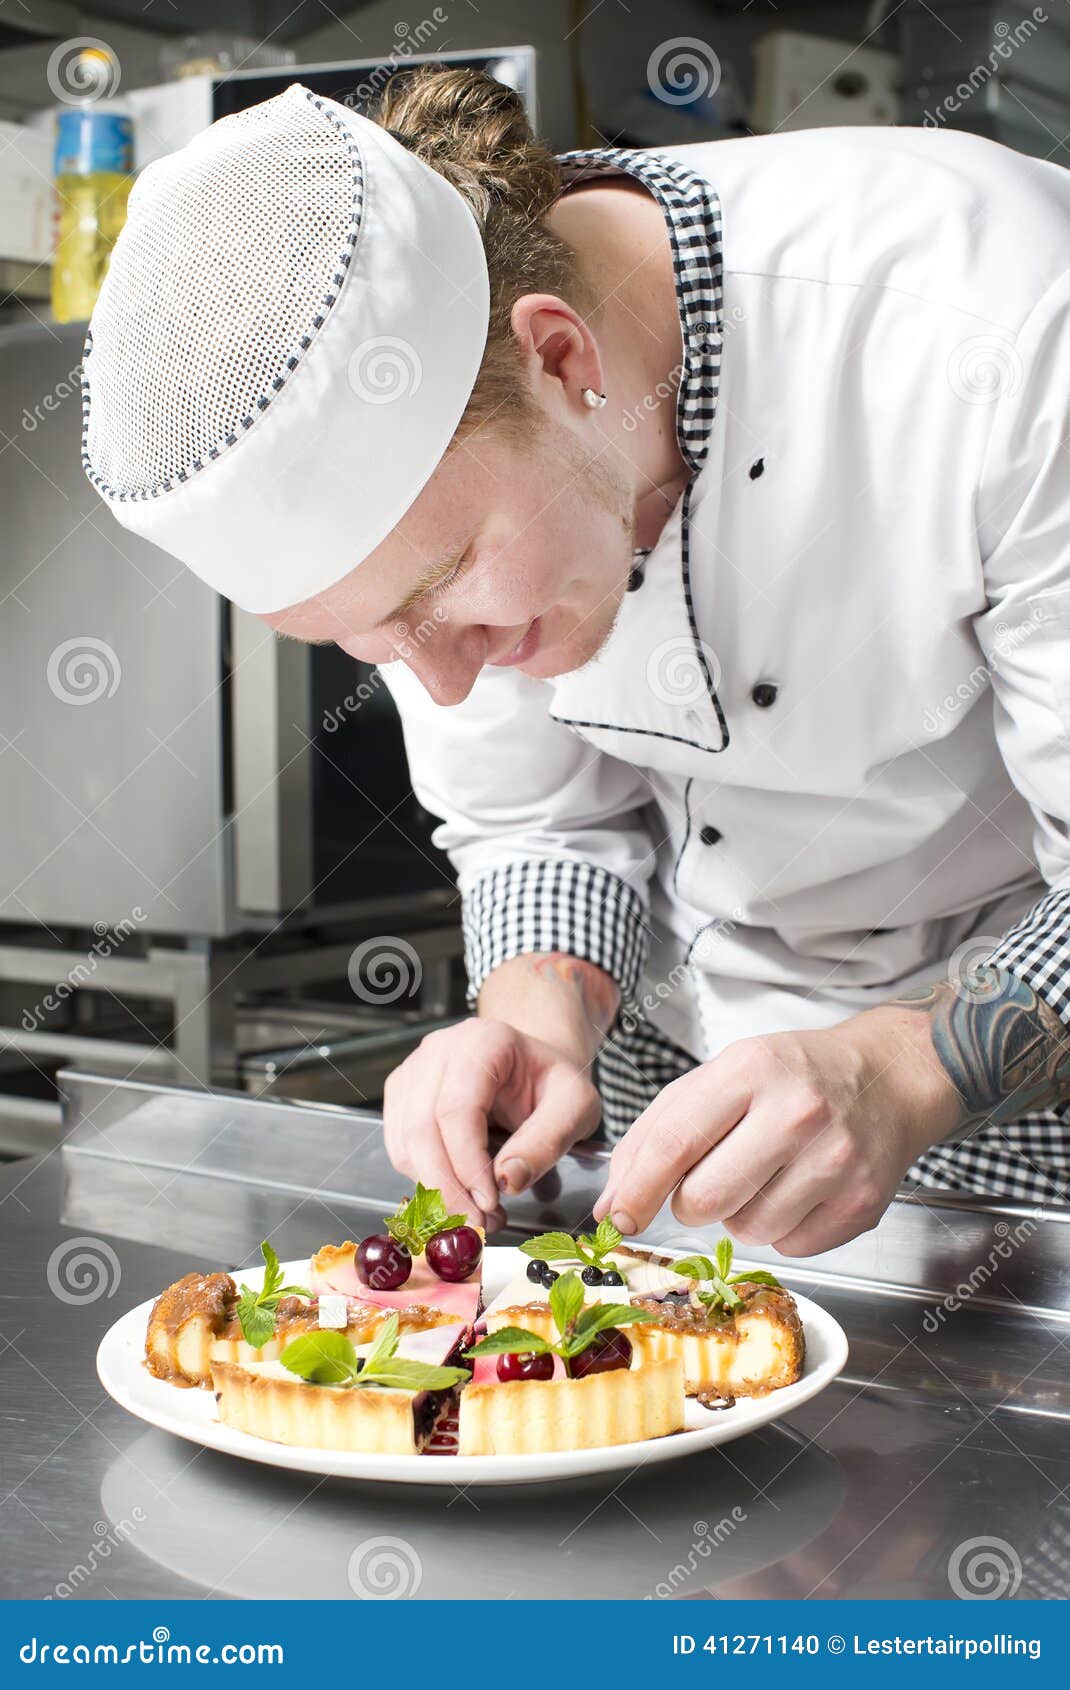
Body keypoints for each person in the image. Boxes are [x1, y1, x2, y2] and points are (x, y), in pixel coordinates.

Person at [83, 67, 1070, 1255]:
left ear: (556, 358)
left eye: (440, 589)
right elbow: (536, 821)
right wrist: (537, 1019)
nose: (440, 681)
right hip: (679, 1118)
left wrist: (905, 1064)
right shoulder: (456, 498)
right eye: (365, 639)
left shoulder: (999, 322)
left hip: (1020, 1106)